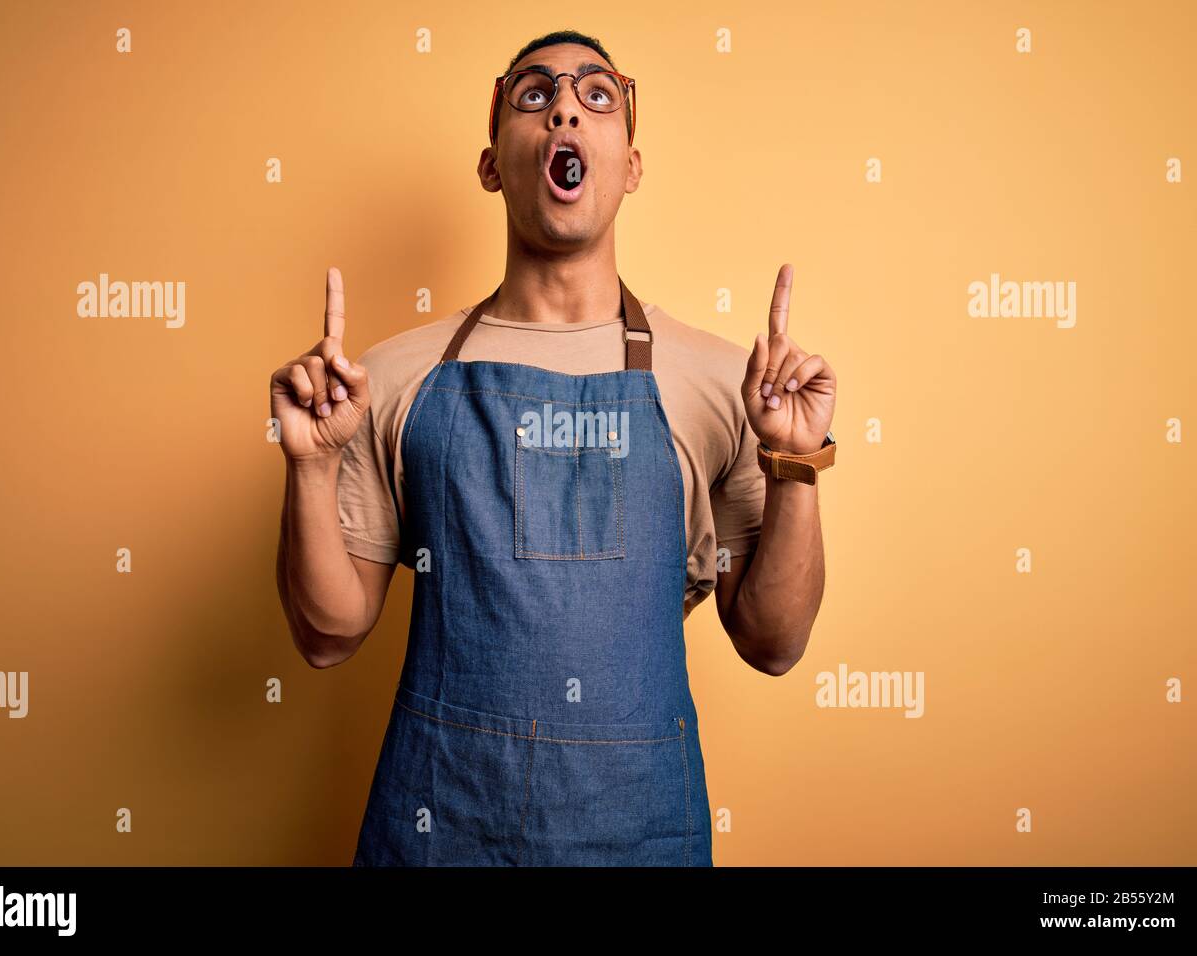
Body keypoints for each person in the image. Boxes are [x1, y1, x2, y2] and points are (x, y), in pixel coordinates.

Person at [271, 29, 838, 867]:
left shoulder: (726, 385)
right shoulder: (392, 379)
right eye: (533, 94)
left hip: (641, 837)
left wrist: (796, 464)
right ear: (493, 162)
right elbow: (327, 636)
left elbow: (773, 643)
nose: (566, 104)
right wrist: (312, 465)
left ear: (631, 164)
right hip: (440, 830)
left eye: (597, 94)